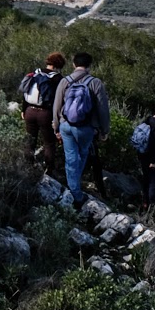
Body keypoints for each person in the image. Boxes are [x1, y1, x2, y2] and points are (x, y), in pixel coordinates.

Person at [53, 52, 110, 205]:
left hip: (66, 126)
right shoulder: (96, 83)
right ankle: (76, 190)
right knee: (82, 155)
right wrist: (104, 130)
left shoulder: (65, 81)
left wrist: (56, 127)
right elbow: (103, 109)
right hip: (86, 128)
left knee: (71, 158)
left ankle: (74, 191)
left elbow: (57, 106)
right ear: (90, 65)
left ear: (73, 64)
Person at [18, 53, 65, 174]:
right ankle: (49, 169)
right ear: (58, 65)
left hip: (30, 111)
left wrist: (24, 109)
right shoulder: (58, 78)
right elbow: (59, 100)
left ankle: (28, 166)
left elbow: (26, 91)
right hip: (46, 113)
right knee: (49, 142)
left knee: (30, 139)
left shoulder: (35, 73)